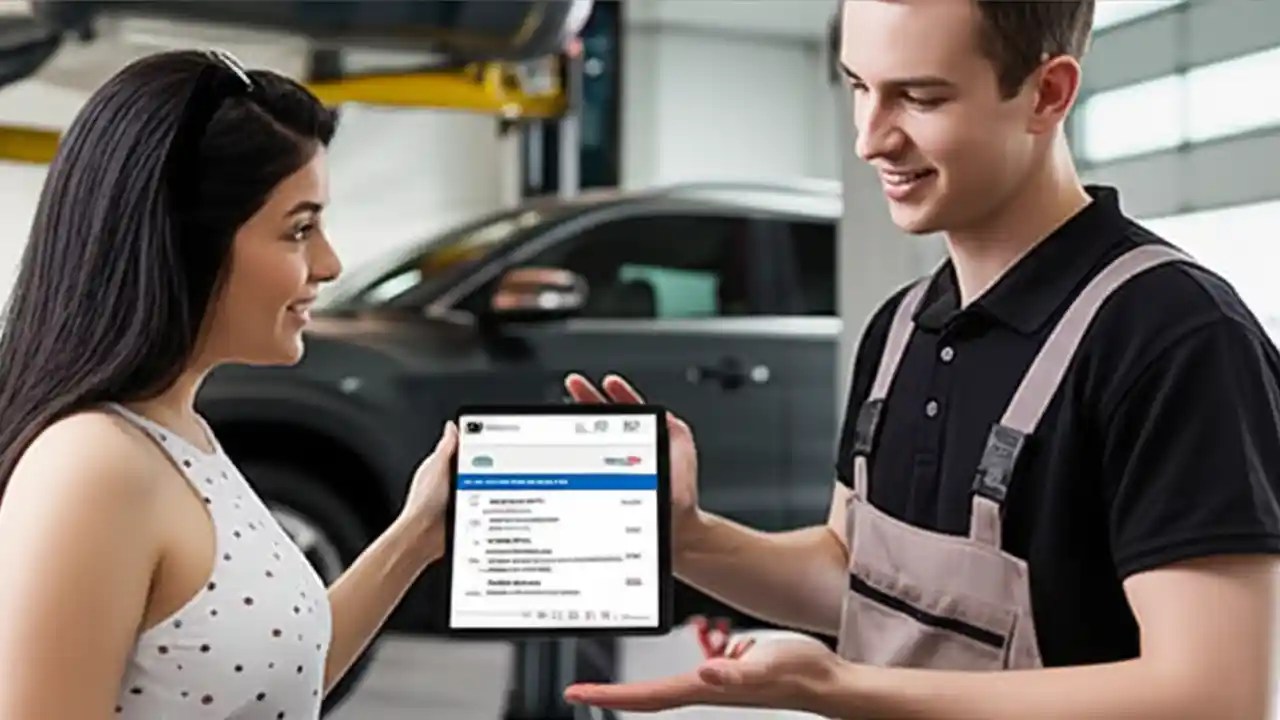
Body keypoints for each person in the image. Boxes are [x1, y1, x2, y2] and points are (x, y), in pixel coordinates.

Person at [563, 1, 1280, 717]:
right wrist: (688, 540)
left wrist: (842, 688)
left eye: (920, 97)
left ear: (1048, 93)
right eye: (857, 86)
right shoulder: (901, 325)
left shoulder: (1178, 341)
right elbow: (852, 571)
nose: (871, 139)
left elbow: (1212, 695)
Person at [0, 50, 458, 718]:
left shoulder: (176, 434)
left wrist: (415, 535)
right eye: (300, 228)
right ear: (188, 243)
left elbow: (264, 683)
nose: (329, 264)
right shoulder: (94, 466)